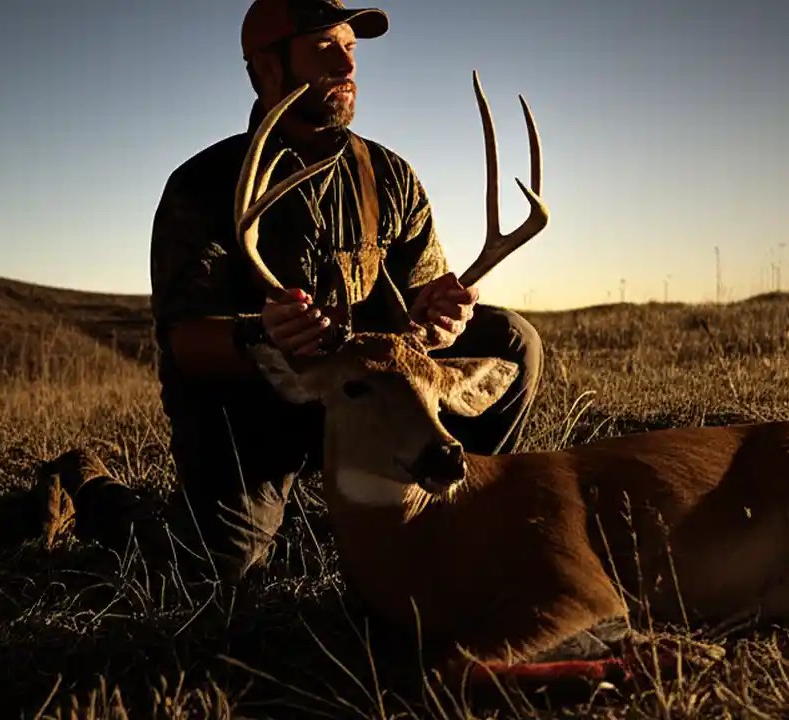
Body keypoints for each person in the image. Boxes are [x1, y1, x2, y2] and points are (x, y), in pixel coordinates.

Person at [32, 0, 544, 585]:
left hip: (368, 395)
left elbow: (424, 288)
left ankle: (442, 506)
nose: (346, 65)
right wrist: (258, 334)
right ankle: (91, 485)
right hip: (253, 401)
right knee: (211, 571)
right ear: (267, 69)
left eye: (350, 47)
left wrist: (440, 315)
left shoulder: (388, 174)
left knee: (511, 341)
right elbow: (186, 343)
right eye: (324, 48)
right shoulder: (203, 185)